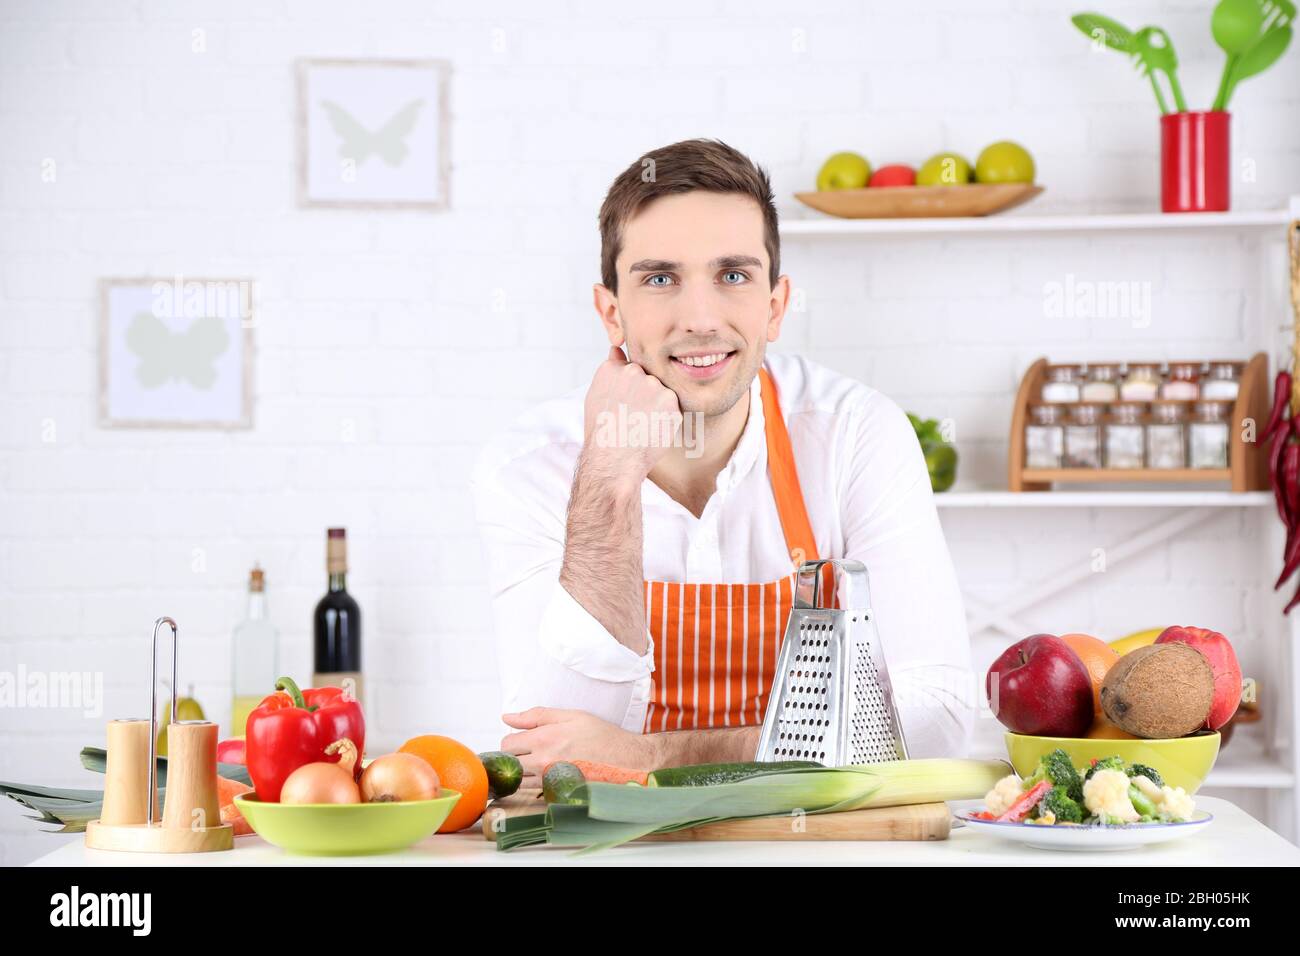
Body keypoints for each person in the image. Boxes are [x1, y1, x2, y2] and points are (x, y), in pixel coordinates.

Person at [471, 138, 974, 784]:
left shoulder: (857, 436)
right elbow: (552, 755)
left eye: (732, 275)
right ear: (610, 313)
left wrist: (656, 755)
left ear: (775, 306)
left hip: (816, 845)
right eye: (660, 279)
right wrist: (608, 483)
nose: (701, 319)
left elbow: (940, 715)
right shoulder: (528, 466)